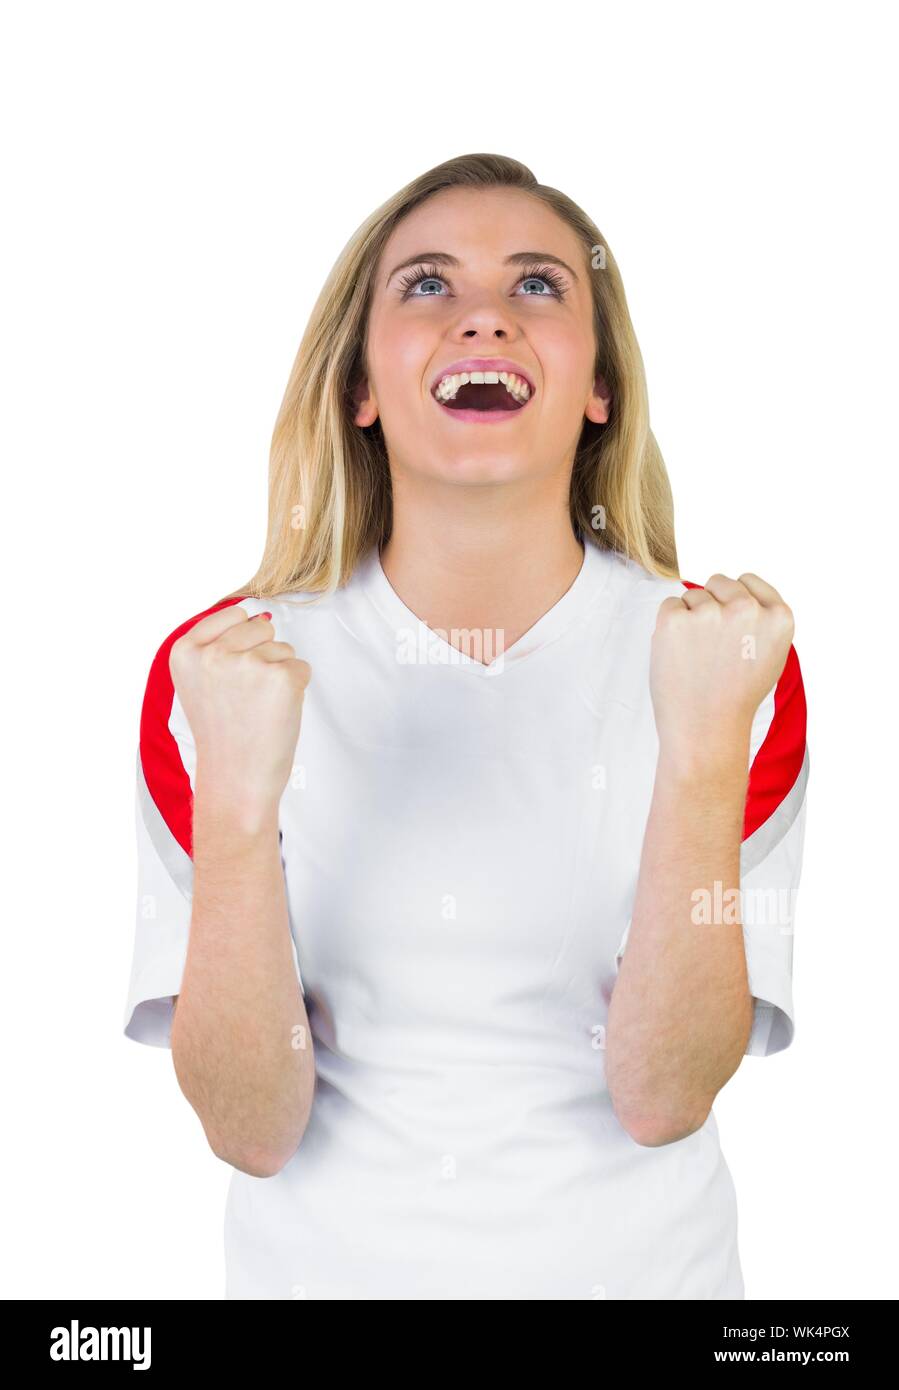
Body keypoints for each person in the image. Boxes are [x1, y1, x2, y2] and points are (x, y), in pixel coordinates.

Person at [124, 153, 809, 1300]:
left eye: (538, 286)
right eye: (426, 286)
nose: (483, 315)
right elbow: (251, 1126)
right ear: (360, 386)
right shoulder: (214, 671)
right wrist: (238, 809)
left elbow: (663, 1095)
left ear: (600, 386)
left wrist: (696, 761)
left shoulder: (730, 665)